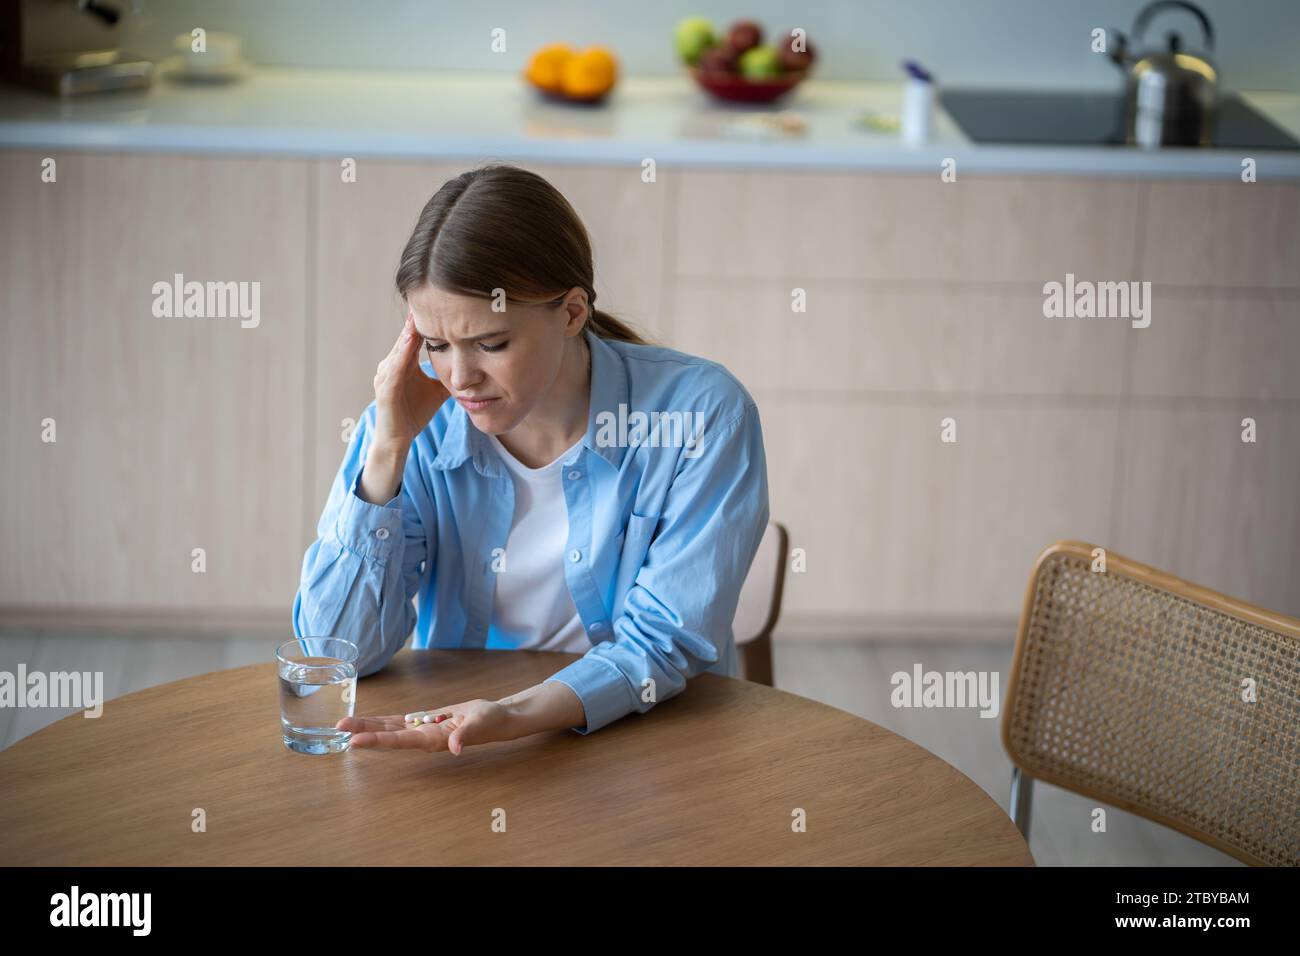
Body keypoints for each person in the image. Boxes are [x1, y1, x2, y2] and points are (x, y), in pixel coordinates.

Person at [291, 164, 769, 756]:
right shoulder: (412, 421)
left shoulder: (700, 416)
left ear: (571, 313)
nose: (459, 379)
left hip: (647, 736)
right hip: (460, 745)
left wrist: (515, 714)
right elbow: (336, 652)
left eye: (490, 344)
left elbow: (664, 645)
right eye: (436, 345)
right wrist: (386, 450)